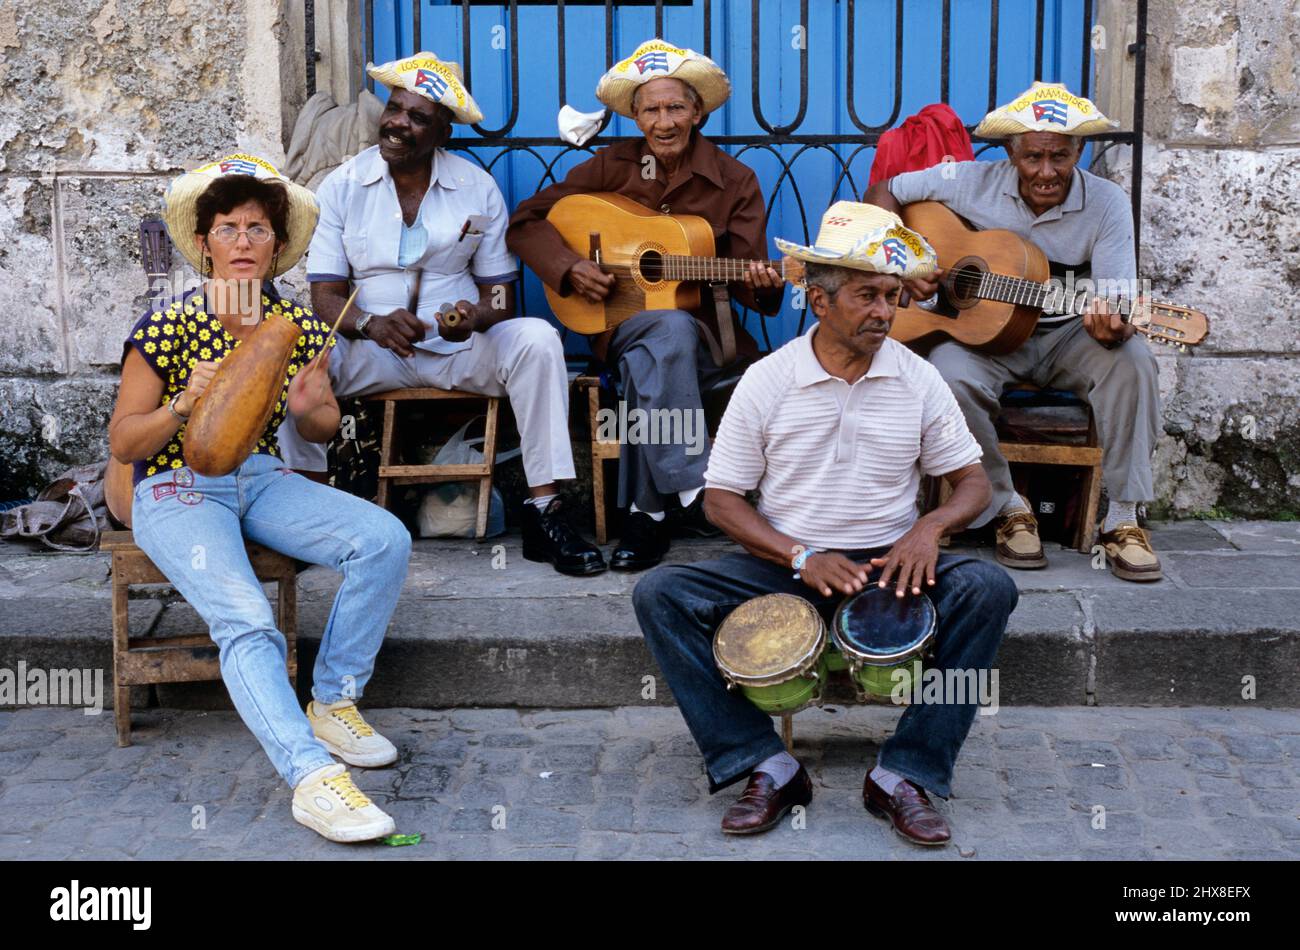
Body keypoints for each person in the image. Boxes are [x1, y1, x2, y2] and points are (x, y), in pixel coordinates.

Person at [632, 202, 1017, 846]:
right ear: (818, 300)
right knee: (660, 595)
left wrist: (929, 531)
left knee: (989, 588)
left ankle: (905, 773)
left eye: (892, 297)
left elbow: (973, 483)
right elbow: (721, 500)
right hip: (784, 566)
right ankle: (766, 764)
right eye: (867, 296)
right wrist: (798, 555)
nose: (884, 313)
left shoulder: (918, 378)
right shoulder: (767, 380)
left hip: (891, 568)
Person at [109, 154, 409, 843]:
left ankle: (333, 702)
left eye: (257, 228)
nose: (243, 240)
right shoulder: (168, 326)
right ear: (205, 243)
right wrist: (183, 405)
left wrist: (315, 404)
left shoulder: (296, 325)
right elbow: (126, 443)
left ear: (277, 245)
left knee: (384, 540)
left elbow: (319, 426)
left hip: (258, 478)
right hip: (175, 485)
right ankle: (311, 778)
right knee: (246, 617)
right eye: (227, 228)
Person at [277, 52, 605, 576]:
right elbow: (325, 296)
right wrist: (370, 324)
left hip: (456, 350)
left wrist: (472, 317)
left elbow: (502, 297)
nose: (398, 124)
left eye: (418, 117)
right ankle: (304, 517)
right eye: (394, 109)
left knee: (537, 339)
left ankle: (546, 511)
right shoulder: (343, 185)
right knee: (297, 353)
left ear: (442, 132)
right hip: (371, 351)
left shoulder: (475, 188)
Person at [865, 82, 1163, 582]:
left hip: (1072, 335)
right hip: (986, 342)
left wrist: (1111, 327)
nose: (1046, 172)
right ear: (1010, 153)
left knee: (1135, 361)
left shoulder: (1108, 203)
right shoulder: (967, 181)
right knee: (947, 374)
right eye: (1033, 157)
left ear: (1079, 152)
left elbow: (1115, 296)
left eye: (1060, 157)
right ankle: (1006, 506)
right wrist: (901, 260)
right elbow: (885, 191)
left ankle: (1123, 518)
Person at [509, 38, 785, 571]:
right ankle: (690, 486)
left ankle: (648, 511)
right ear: (635, 115)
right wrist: (569, 267)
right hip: (617, 324)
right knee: (660, 336)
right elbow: (526, 223)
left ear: (698, 111)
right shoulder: (611, 165)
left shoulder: (735, 181)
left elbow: (759, 293)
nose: (664, 121)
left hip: (707, 340)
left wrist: (766, 280)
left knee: (663, 345)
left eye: (676, 107)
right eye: (651, 109)